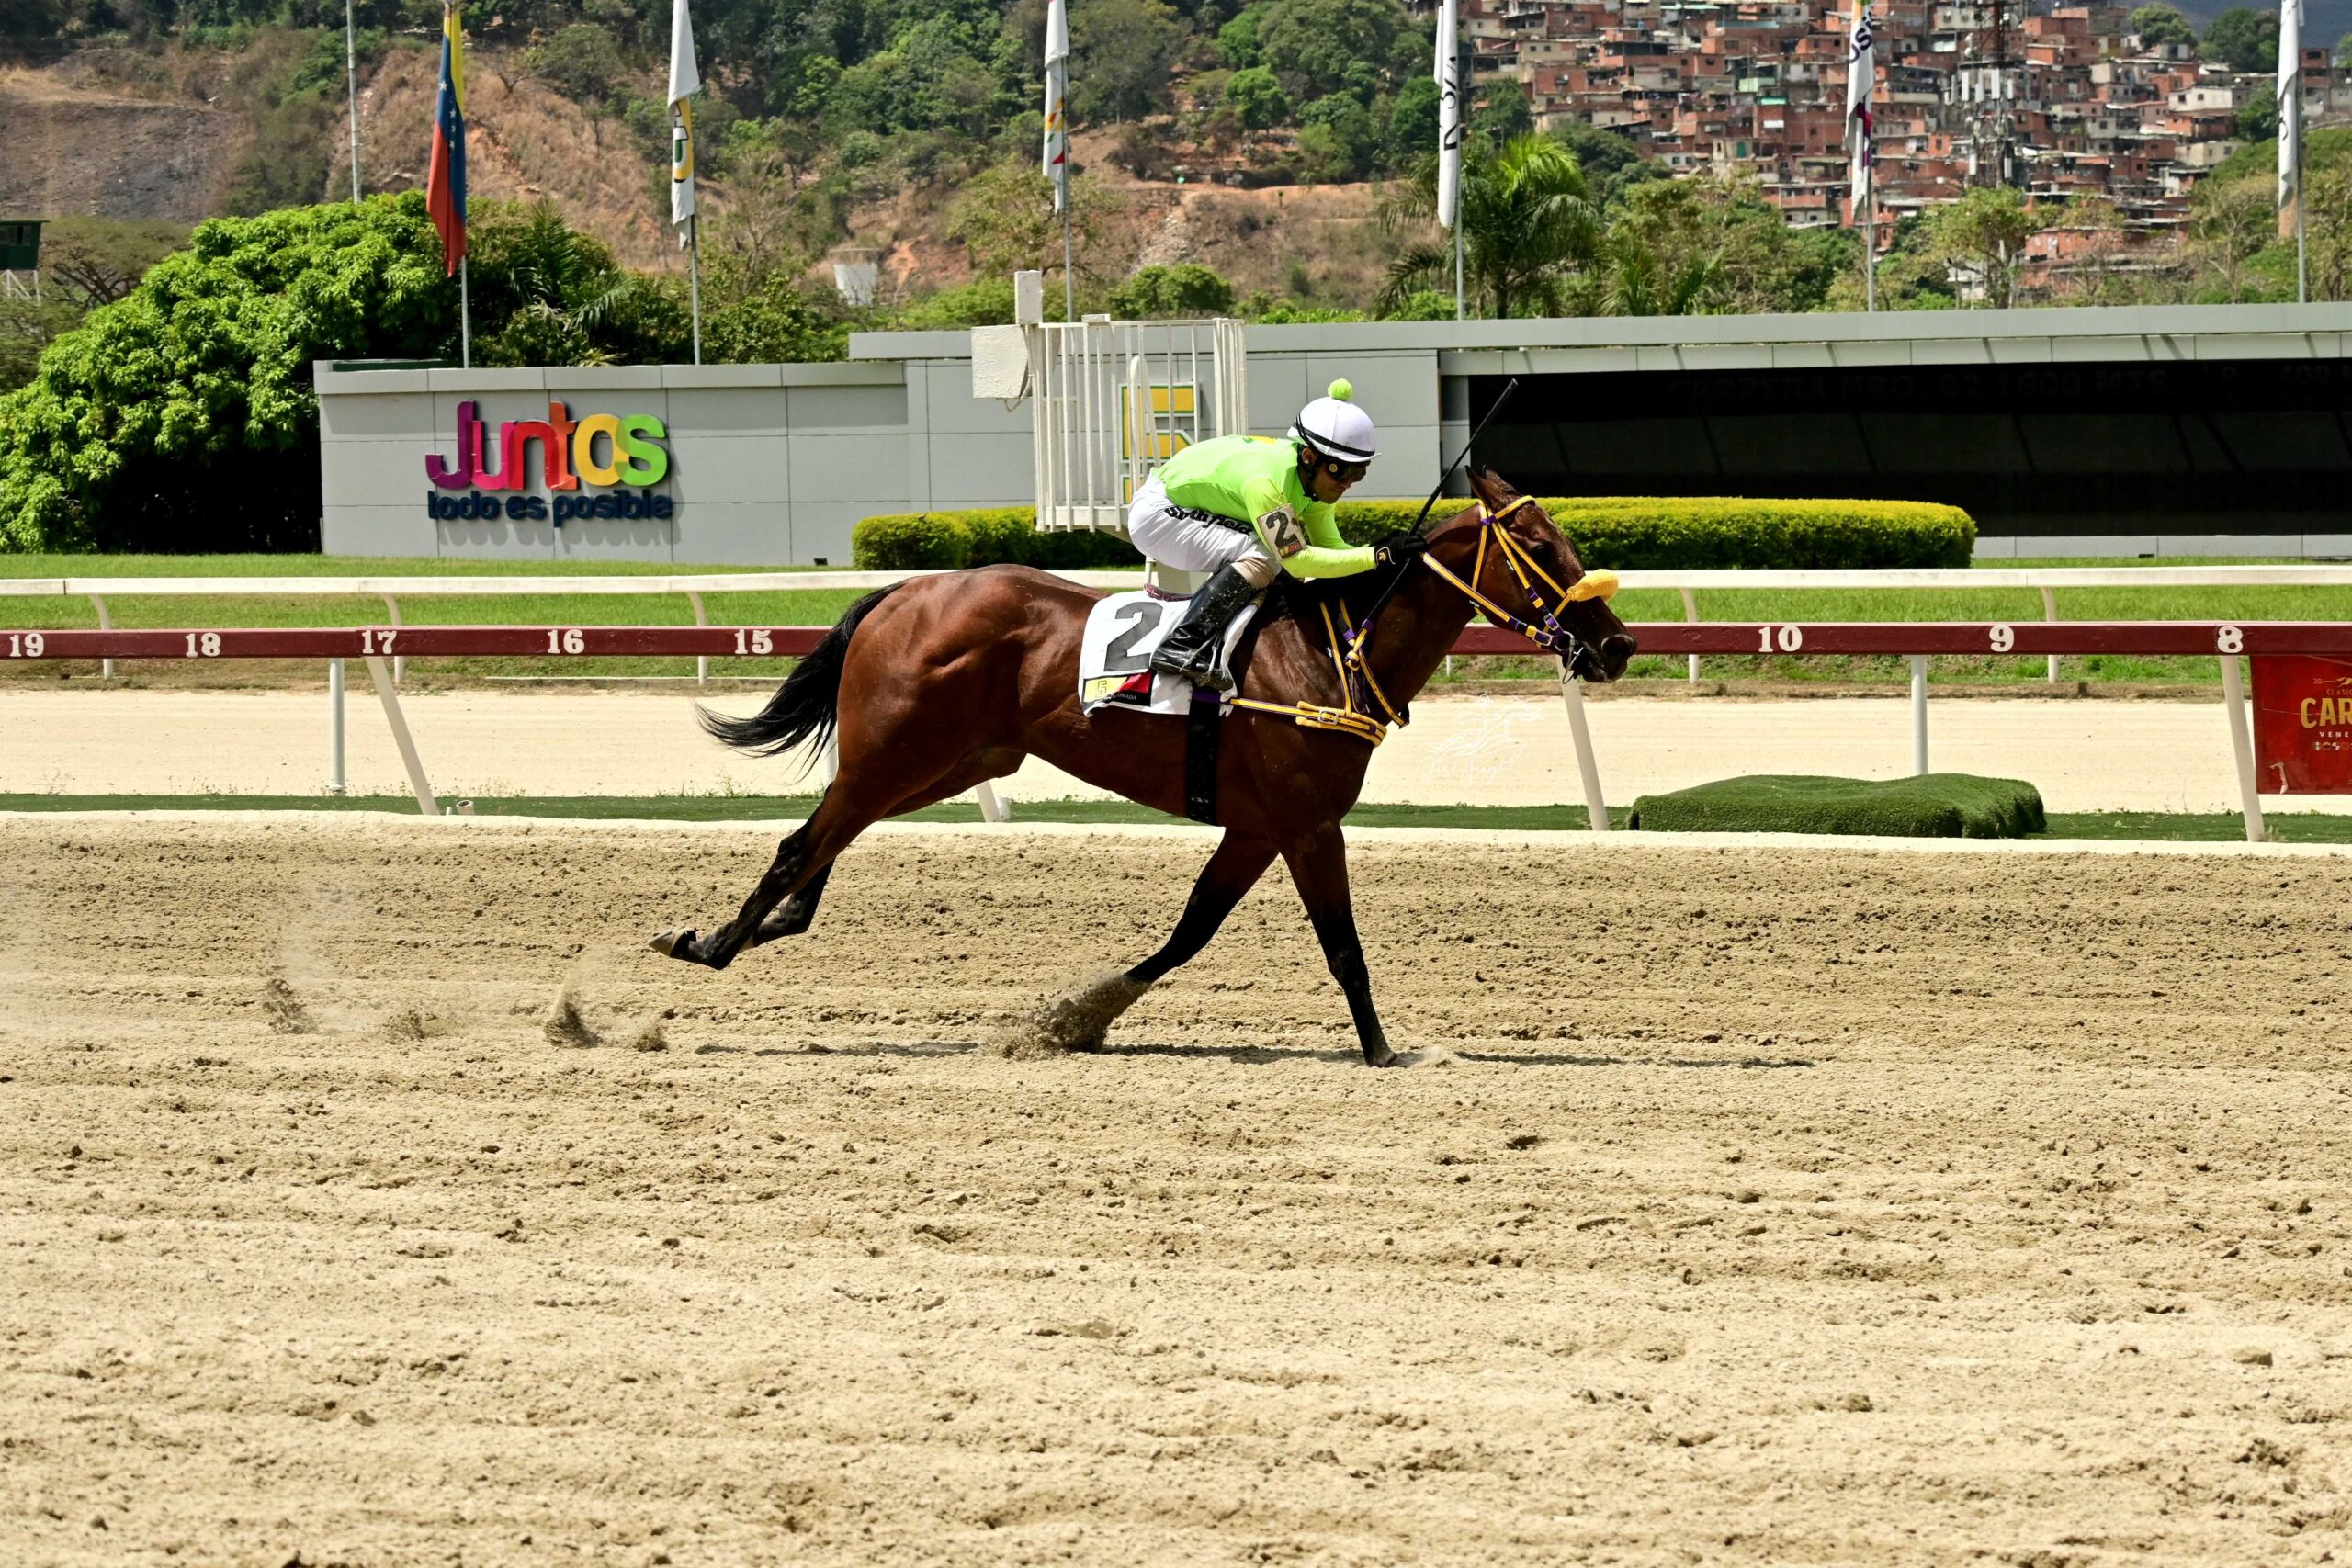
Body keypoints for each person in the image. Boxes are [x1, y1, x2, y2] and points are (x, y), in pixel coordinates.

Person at [1125, 380, 1430, 693]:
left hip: (1186, 504)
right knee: (1266, 556)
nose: (1348, 482)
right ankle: (1182, 645)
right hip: (1158, 515)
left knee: (1277, 564)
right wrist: (1375, 554)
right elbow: (1298, 561)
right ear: (1309, 457)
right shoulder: (1267, 483)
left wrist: (1377, 557)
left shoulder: (1312, 485)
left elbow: (1332, 551)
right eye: (1341, 470)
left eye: (1359, 471)